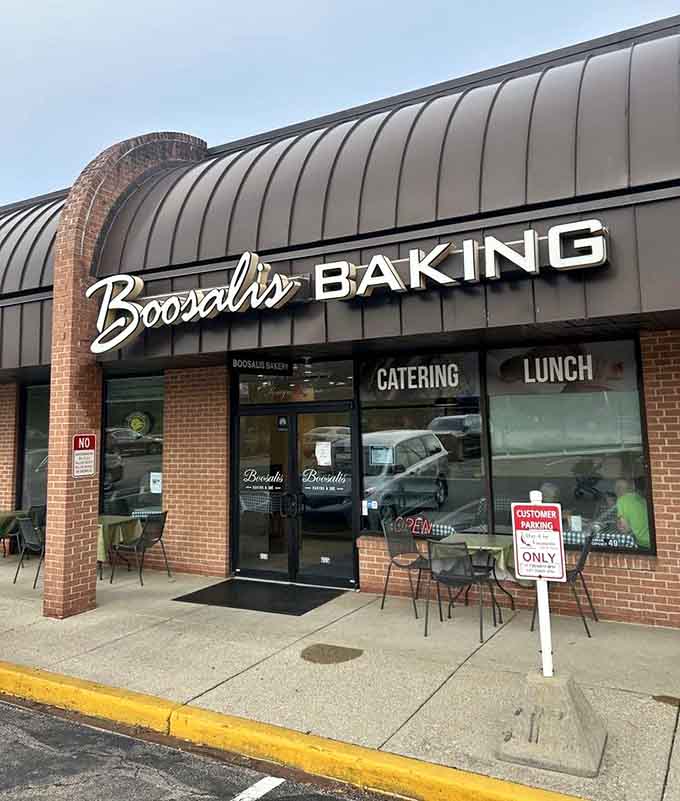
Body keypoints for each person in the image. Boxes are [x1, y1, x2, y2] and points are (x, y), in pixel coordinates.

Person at [615, 479, 650, 549]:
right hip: (653, 539)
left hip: (643, 542)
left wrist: (618, 523)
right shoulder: (639, 497)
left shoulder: (622, 500)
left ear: (618, 490)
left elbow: (625, 529)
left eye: (617, 488)